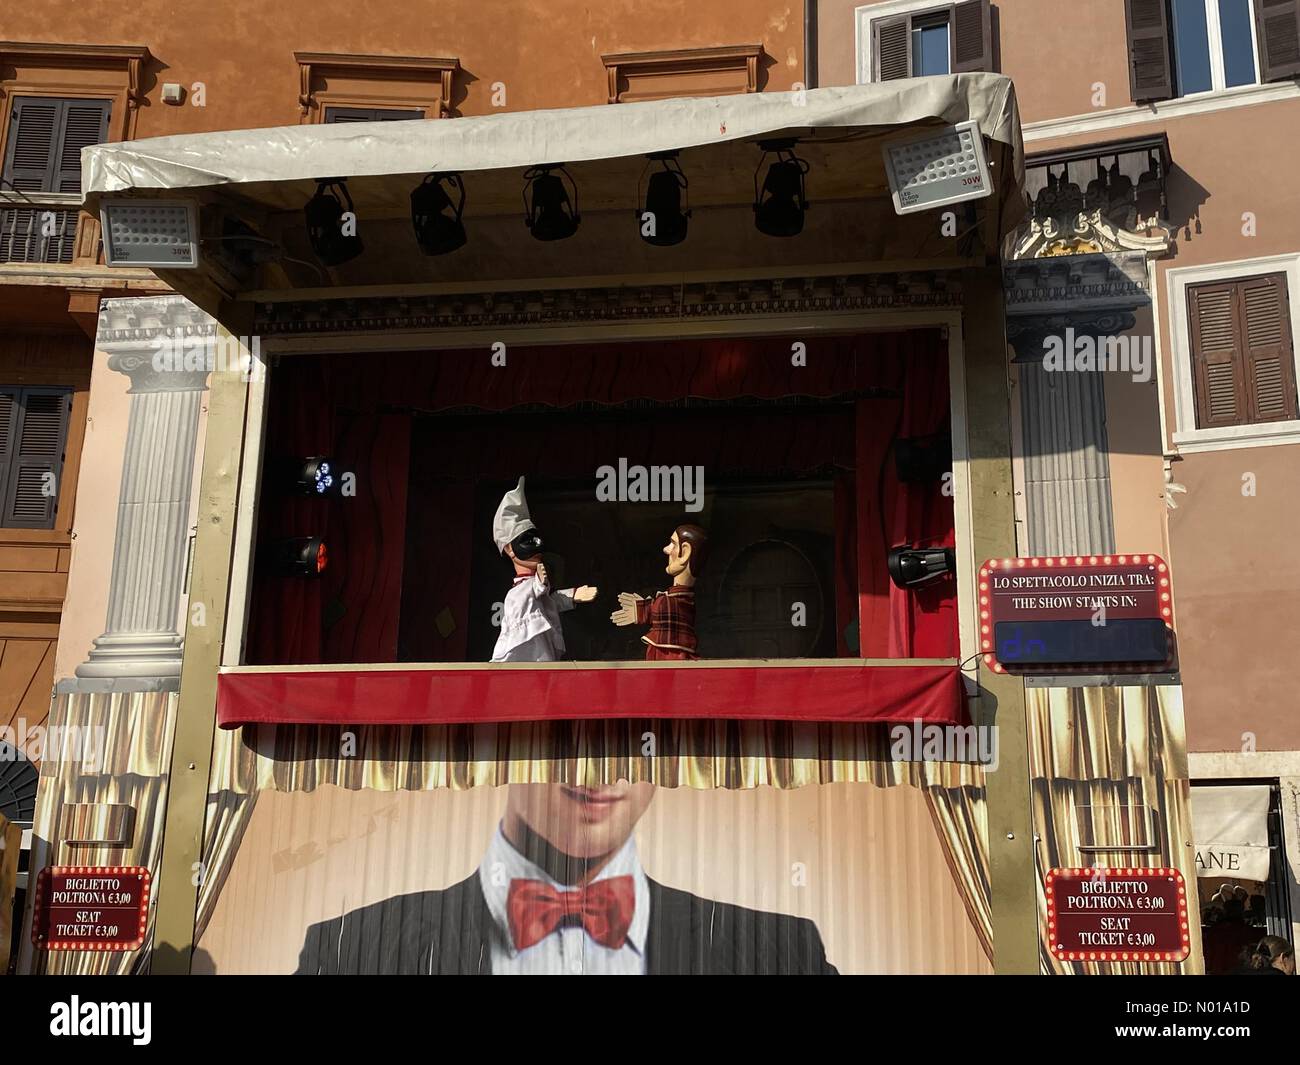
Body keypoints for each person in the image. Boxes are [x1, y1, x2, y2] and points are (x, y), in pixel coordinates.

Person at [295, 780, 837, 974]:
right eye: (562, 736)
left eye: (630, 738)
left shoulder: (780, 953)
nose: (595, 771)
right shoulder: (349, 954)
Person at [490, 477, 596, 662]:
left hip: (543, 658)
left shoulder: (537, 589)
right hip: (523, 657)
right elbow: (533, 598)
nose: (537, 548)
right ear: (509, 549)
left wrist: (573, 594)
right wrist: (540, 583)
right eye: (527, 541)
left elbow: (548, 601)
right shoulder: (515, 596)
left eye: (537, 541)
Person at [610, 524, 708, 661]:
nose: (666, 550)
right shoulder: (676, 601)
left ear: (685, 553)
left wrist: (642, 611)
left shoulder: (670, 602)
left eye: (673, 544)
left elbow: (665, 608)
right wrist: (645, 609)